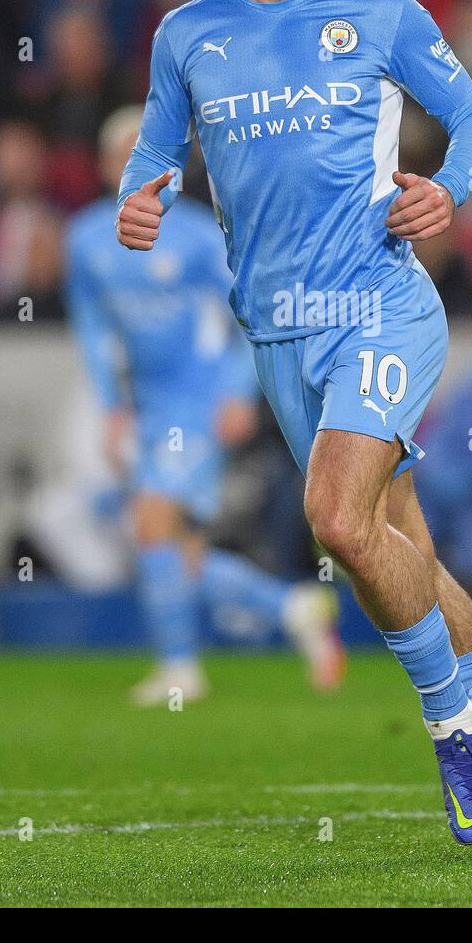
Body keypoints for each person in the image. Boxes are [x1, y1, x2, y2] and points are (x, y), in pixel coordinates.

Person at [114, 0, 472, 856]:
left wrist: (447, 189)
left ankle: (449, 727)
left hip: (379, 307)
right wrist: (138, 199)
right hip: (275, 336)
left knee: (335, 519)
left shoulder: (382, 11)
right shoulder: (187, 35)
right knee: (395, 550)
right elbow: (150, 158)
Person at [66, 103, 344, 707]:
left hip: (196, 402)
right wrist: (113, 405)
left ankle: (180, 671)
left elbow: (249, 314)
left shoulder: (199, 235)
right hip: (147, 406)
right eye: (121, 160)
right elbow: (92, 328)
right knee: (177, 553)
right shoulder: (86, 239)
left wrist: (239, 391)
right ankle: (292, 607)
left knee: (152, 522)